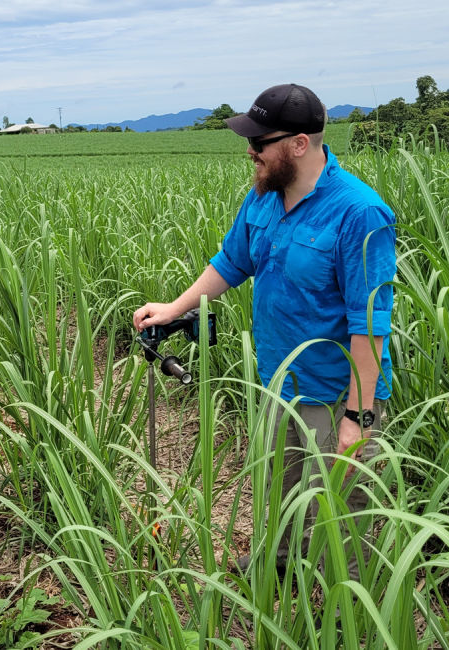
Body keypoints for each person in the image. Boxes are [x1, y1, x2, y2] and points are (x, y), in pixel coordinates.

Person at [132, 83, 397, 582]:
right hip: (279, 381)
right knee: (282, 487)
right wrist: (173, 308)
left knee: (341, 512)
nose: (249, 151)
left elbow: (370, 327)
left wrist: (357, 417)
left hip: (335, 393)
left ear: (299, 143)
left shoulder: (359, 213)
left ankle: (347, 610)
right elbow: (232, 263)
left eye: (260, 141)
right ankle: (279, 565)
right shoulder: (264, 199)